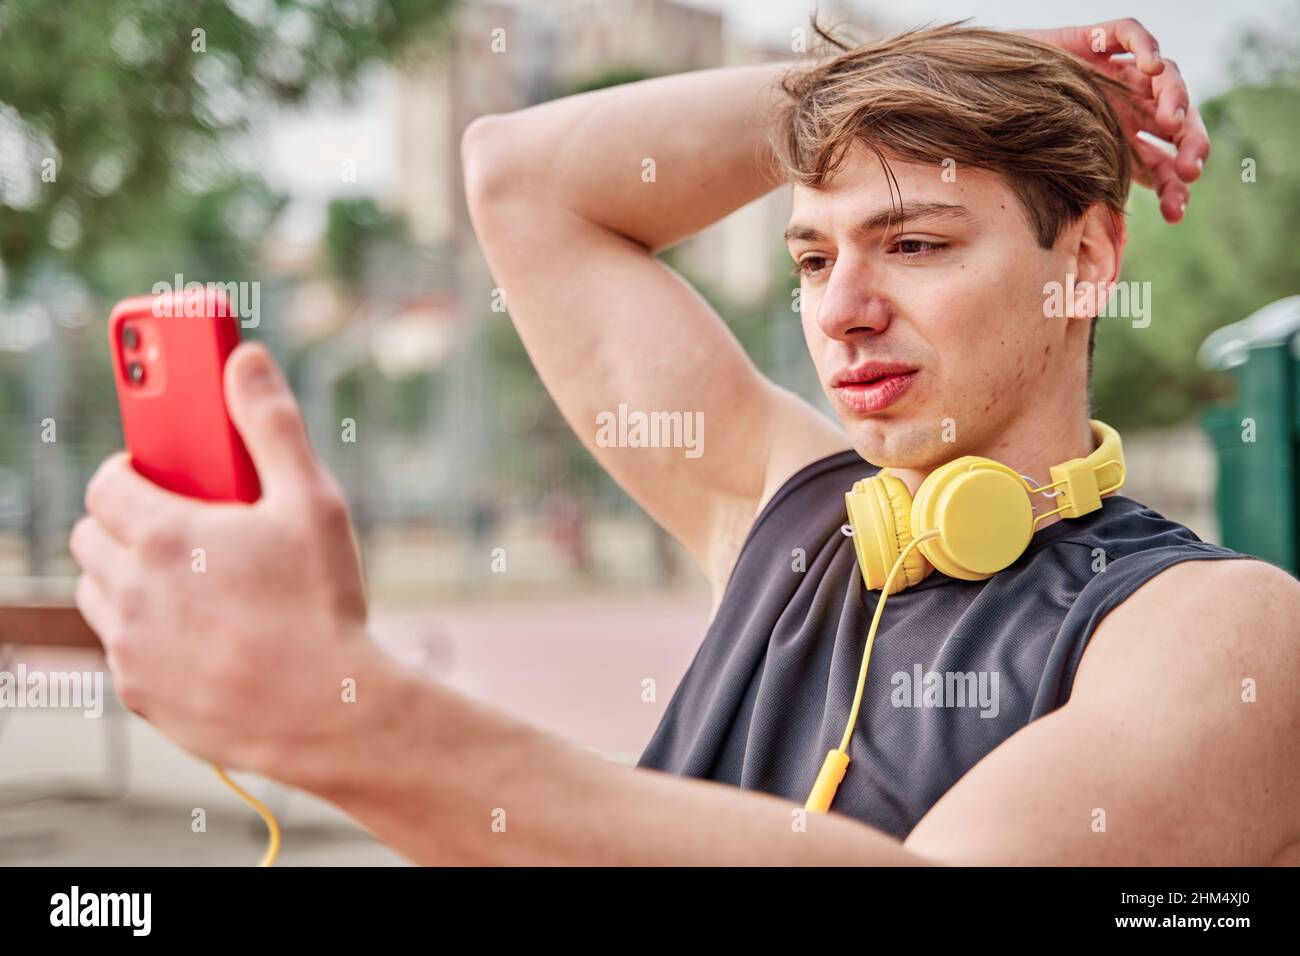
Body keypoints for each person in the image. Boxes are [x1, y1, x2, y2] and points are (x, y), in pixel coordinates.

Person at [70, 19, 1300, 865]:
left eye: (914, 243)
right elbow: (522, 178)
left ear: (1083, 261)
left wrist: (350, 720)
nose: (840, 309)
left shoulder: (1224, 630)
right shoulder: (794, 514)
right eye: (813, 257)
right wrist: (939, 72)